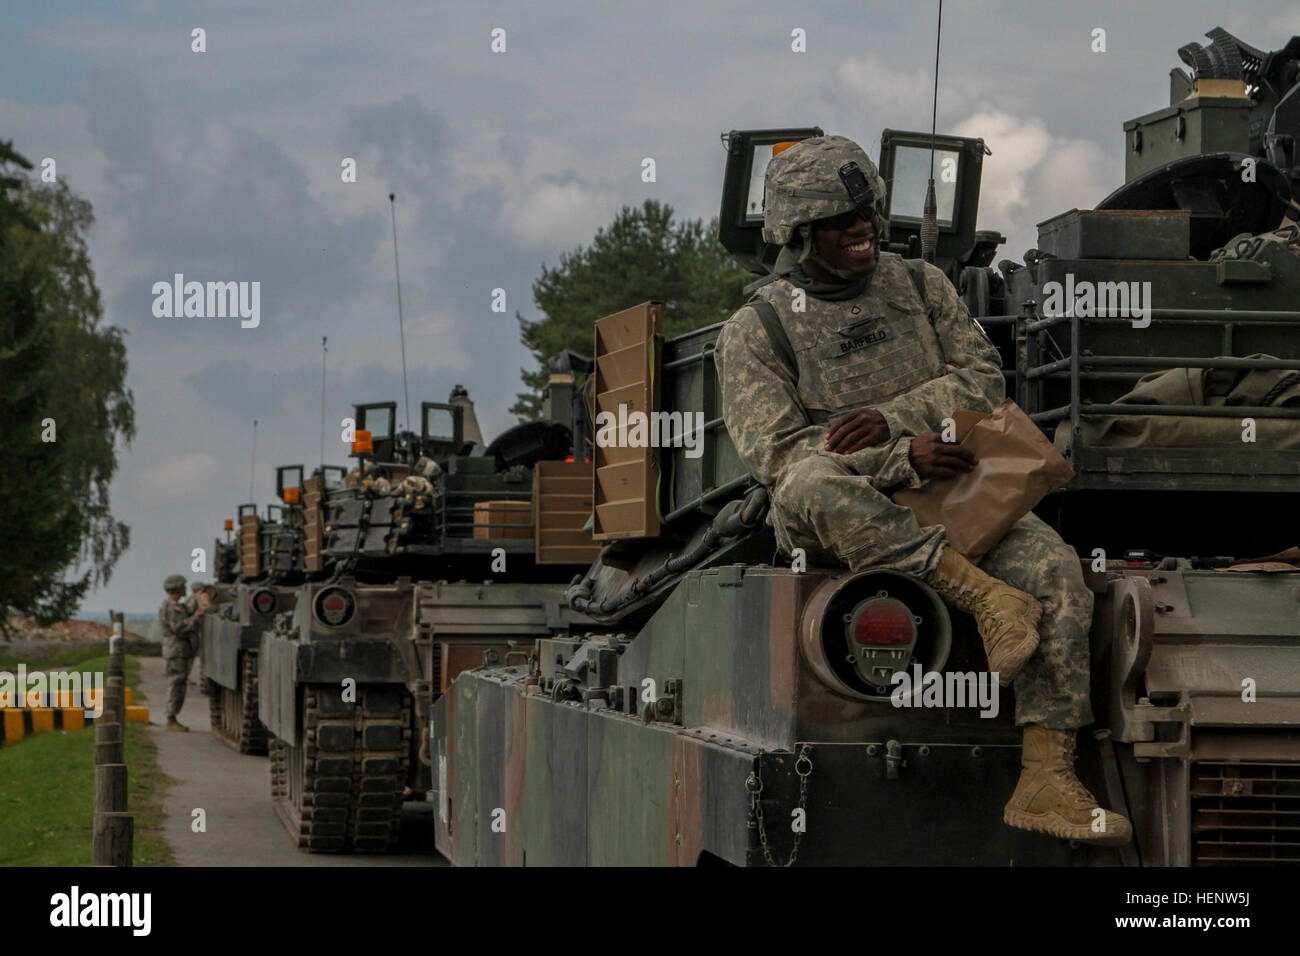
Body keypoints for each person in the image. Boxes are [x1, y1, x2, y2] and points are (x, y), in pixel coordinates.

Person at [713, 134, 1131, 845]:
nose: (864, 228)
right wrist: (898, 455)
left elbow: (984, 383)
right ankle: (984, 599)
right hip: (846, 507)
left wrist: (893, 417)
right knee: (809, 482)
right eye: (843, 220)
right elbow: (781, 458)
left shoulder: (920, 284)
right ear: (797, 233)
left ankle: (1045, 776)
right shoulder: (757, 330)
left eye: (868, 212)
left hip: (956, 488)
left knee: (1057, 567)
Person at [158, 574, 205, 731]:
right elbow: (178, 628)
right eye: (183, 586)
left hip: (177, 649)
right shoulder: (172, 606)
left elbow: (187, 610)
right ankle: (171, 718)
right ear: (177, 588)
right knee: (177, 683)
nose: (185, 589)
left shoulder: (173, 605)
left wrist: (196, 598)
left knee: (178, 683)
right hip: (177, 649)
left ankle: (172, 717)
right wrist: (196, 618)